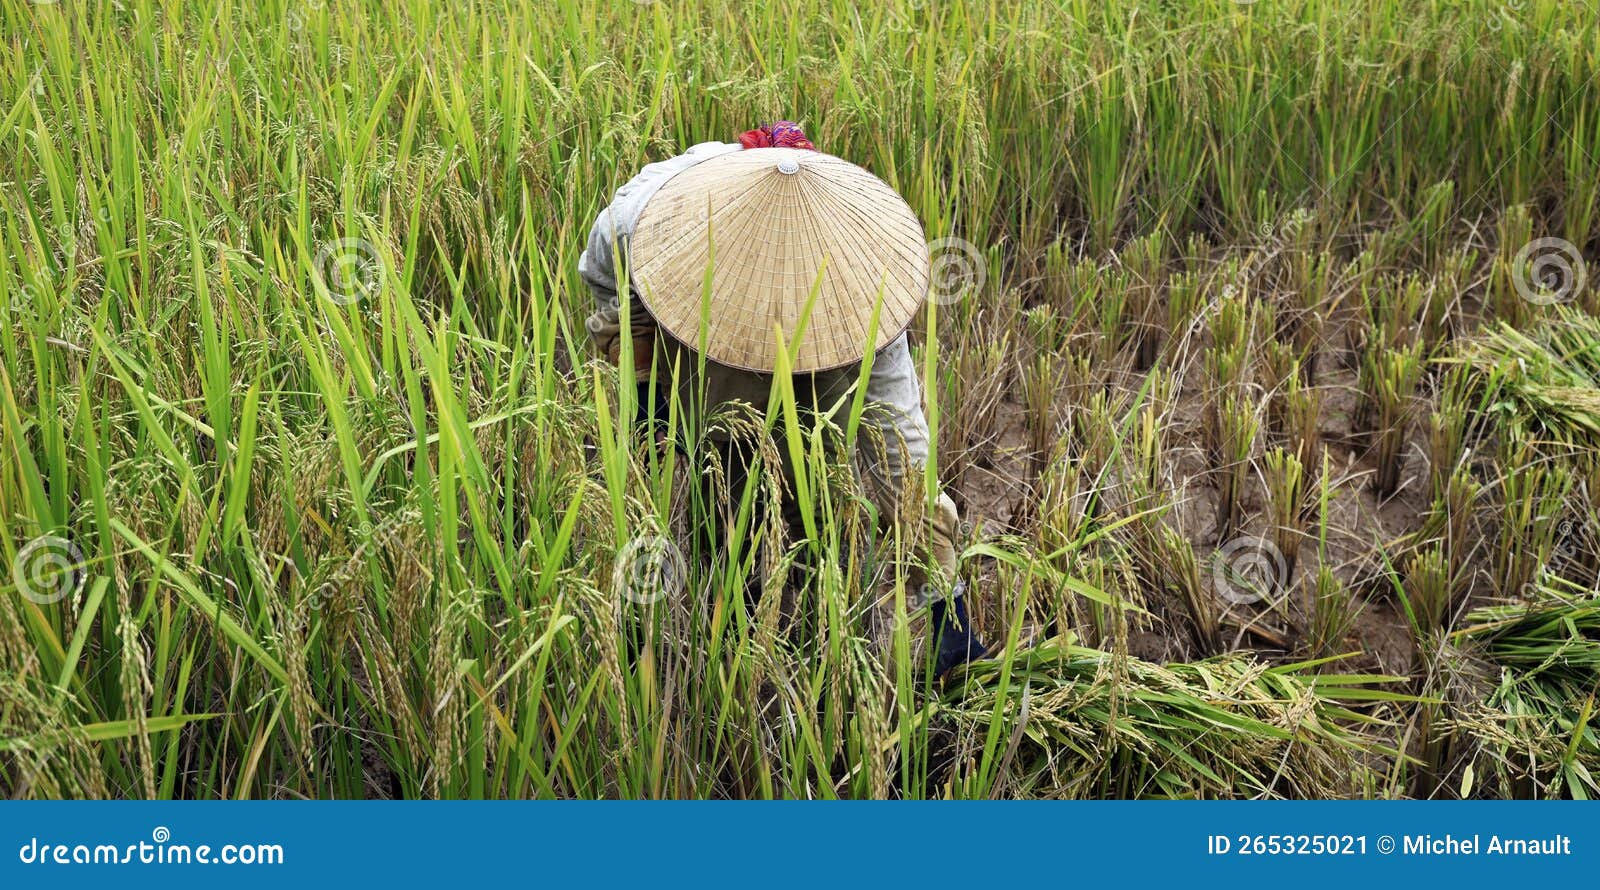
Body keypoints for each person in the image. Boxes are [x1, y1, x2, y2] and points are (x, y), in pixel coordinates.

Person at [578, 120, 987, 676]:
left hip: (835, 340)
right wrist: (648, 376)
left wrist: (947, 610)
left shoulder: (868, 274)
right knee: (724, 483)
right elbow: (607, 286)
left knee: (837, 494)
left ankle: (898, 631)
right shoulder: (646, 219)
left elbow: (904, 466)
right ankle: (728, 625)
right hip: (708, 334)